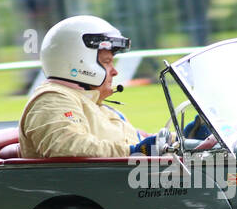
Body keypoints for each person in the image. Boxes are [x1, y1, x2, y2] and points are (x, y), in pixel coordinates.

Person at [18, 15, 151, 159]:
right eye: (107, 62)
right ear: (79, 61)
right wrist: (134, 152)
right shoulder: (52, 100)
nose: (114, 71)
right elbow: (67, 146)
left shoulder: (91, 102)